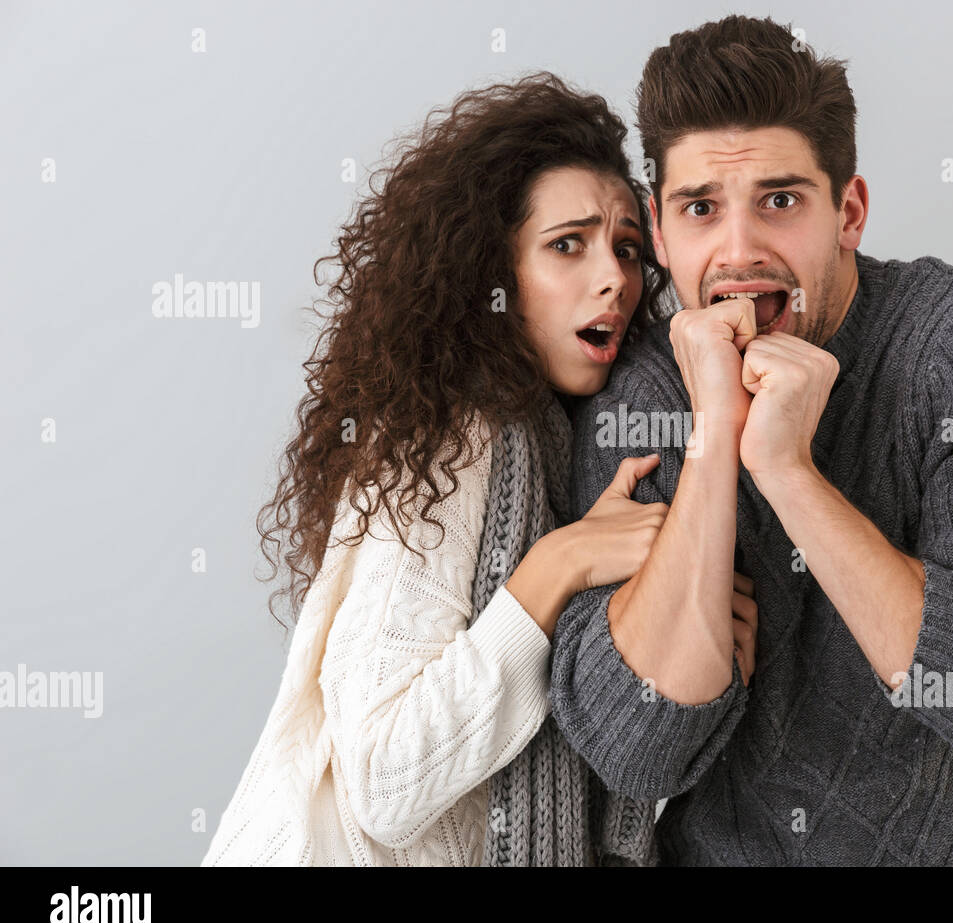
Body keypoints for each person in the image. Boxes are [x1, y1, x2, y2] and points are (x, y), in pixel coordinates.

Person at [549, 16, 953, 865]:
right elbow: (637, 750)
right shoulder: (642, 389)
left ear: (848, 212)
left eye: (780, 201)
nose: (739, 251)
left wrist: (787, 470)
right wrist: (715, 438)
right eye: (701, 209)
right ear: (660, 232)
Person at [200, 72, 756, 867]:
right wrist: (559, 565)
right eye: (568, 245)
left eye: (628, 249)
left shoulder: (568, 437)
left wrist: (690, 622)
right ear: (494, 272)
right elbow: (385, 784)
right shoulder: (454, 438)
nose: (614, 277)